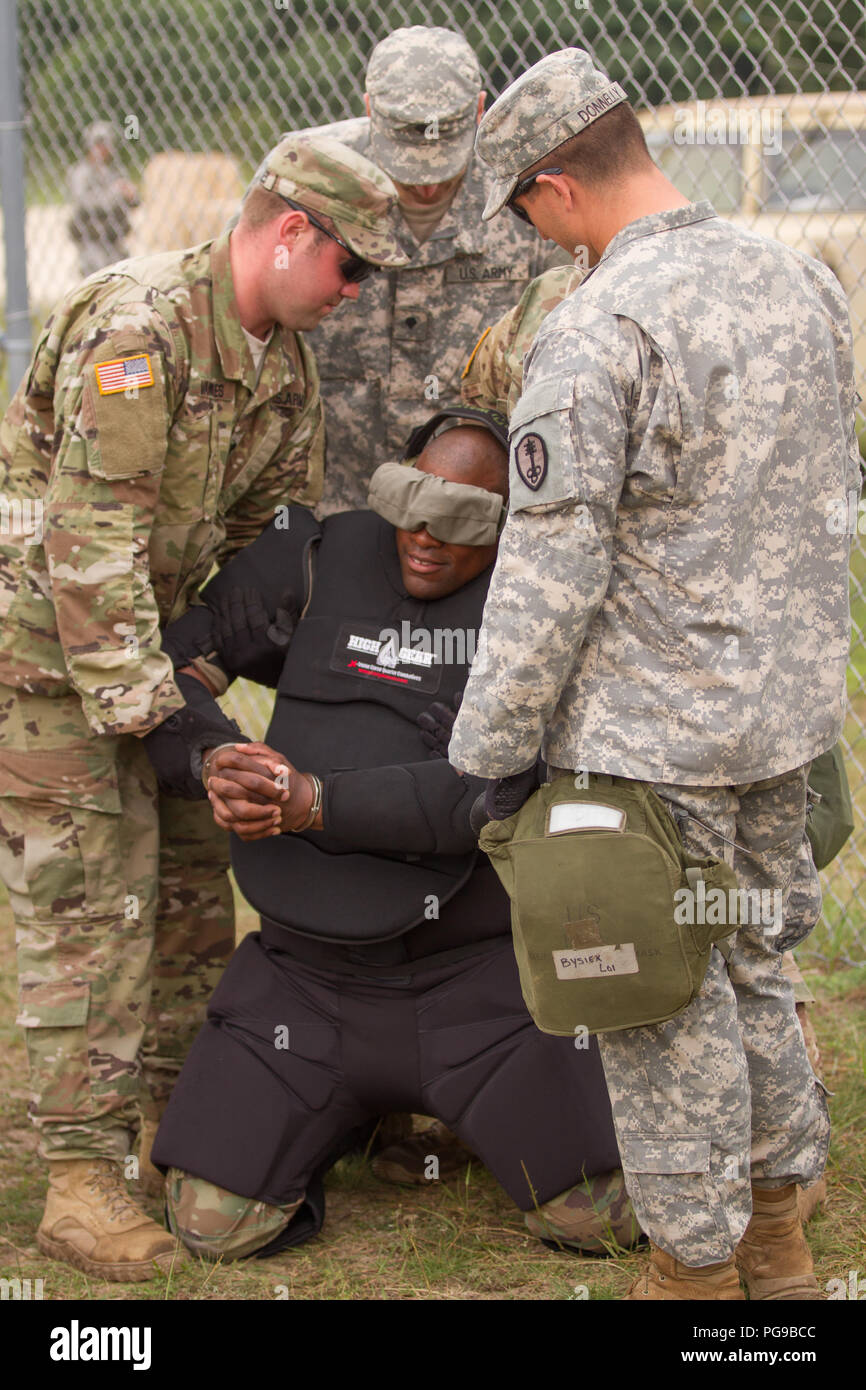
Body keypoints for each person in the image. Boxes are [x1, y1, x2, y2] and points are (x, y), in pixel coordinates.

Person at [447, 48, 860, 1300]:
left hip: (643, 751)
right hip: (782, 725)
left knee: (650, 1006)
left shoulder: (595, 328)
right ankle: (778, 1236)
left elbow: (546, 574)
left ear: (556, 185)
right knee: (748, 964)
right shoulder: (803, 281)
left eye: (521, 210)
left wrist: (488, 753)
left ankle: (690, 1275)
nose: (528, 240)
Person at [0, 134, 407, 1282]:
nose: (356, 294)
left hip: (158, 663)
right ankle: (79, 1181)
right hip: (52, 665)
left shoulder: (283, 364)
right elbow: (89, 552)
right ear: (288, 234)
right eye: (350, 268)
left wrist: (224, 690)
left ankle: (179, 1133)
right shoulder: (141, 334)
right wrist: (179, 725)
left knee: (186, 895)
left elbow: (267, 551)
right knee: (92, 914)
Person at [148, 408, 641, 1260]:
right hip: (302, 982)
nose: (425, 539)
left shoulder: (536, 604)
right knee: (211, 1226)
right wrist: (213, 756)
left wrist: (312, 804)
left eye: (460, 523)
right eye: (412, 507)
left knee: (596, 1222)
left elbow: (488, 796)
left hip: (477, 991)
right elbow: (171, 668)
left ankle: (466, 1117)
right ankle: (350, 1114)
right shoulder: (316, 555)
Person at [274, 24, 566, 515]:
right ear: (369, 108)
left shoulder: (527, 192)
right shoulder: (307, 174)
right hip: (329, 508)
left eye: (443, 162)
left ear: (479, 109)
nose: (427, 187)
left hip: (470, 521)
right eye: (408, 164)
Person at [67, 121, 140, 277]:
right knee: (98, 277)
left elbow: (135, 202)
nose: (103, 149)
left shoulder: (113, 172)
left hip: (114, 238)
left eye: (106, 144)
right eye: (98, 144)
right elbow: (85, 203)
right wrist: (116, 192)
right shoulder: (81, 173)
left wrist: (131, 194)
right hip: (92, 238)